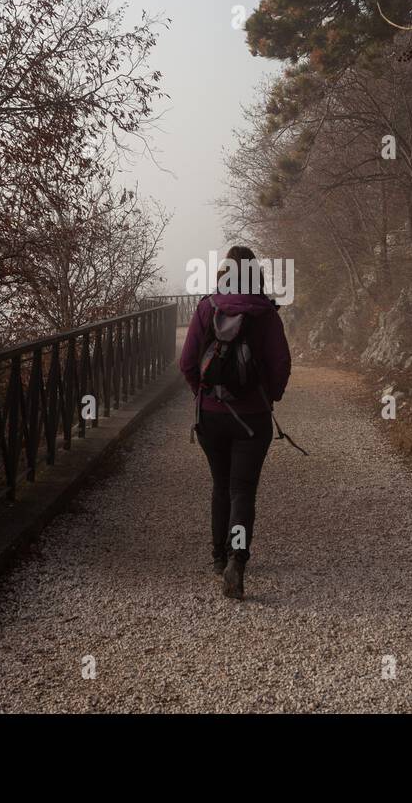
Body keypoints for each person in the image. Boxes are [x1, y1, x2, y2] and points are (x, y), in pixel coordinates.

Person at [179, 246, 292, 600]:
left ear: (224, 273)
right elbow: (280, 365)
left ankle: (217, 556)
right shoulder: (266, 314)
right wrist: (269, 396)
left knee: (221, 486)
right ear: (254, 274)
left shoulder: (206, 307)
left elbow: (186, 363)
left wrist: (203, 394)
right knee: (243, 490)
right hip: (252, 418)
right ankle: (236, 558)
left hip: (211, 416)